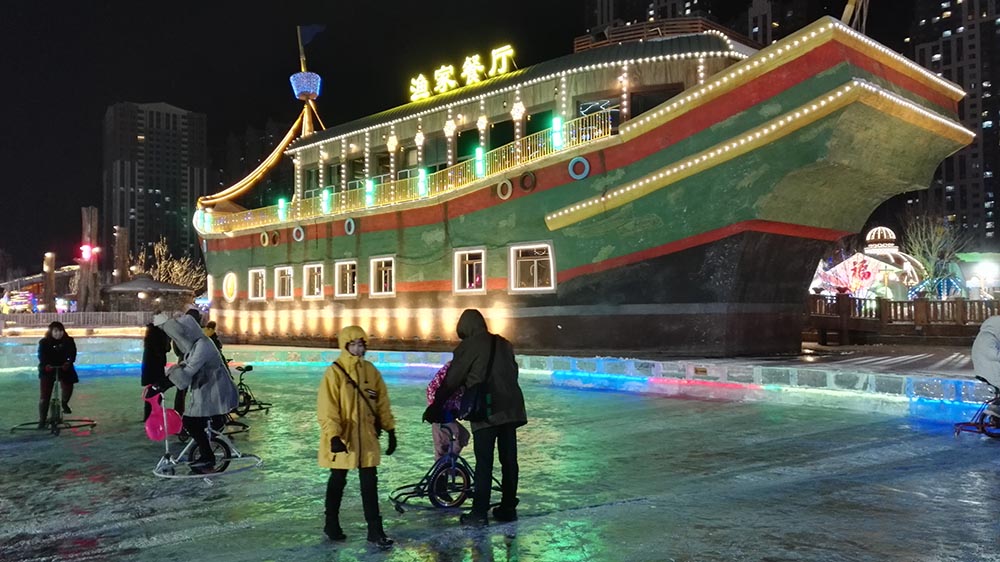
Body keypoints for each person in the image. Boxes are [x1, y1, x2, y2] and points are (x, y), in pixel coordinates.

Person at [423, 309, 526, 526]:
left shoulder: (468, 346)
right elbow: (513, 372)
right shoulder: (504, 343)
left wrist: (436, 407)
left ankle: (479, 513)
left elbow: (452, 380)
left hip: (486, 411)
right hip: (511, 408)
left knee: (484, 462)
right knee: (509, 460)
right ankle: (508, 507)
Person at [317, 325, 397, 549]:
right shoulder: (334, 372)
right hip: (343, 438)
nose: (358, 348)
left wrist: (390, 429)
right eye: (353, 344)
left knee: (369, 482)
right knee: (338, 480)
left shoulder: (371, 371)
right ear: (345, 345)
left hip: (367, 437)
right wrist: (333, 435)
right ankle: (331, 523)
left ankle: (375, 529)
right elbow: (327, 408)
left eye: (361, 344)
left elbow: (381, 402)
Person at [159, 313, 238, 471]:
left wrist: (162, 384)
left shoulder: (203, 345)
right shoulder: (195, 346)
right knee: (194, 422)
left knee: (191, 422)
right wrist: (162, 383)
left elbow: (188, 370)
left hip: (215, 391)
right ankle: (207, 448)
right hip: (207, 389)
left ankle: (208, 457)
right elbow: (184, 367)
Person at [37, 321, 79, 427]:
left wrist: (68, 362)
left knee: (68, 384)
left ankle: (64, 403)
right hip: (48, 368)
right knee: (45, 395)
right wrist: (46, 365)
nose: (58, 334)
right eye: (55, 331)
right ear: (51, 332)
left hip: (64, 367)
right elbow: (42, 356)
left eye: (60, 331)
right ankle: (42, 419)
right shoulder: (44, 342)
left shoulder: (69, 341)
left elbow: (72, 353)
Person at [426, 361, 471, 459]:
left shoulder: (455, 366)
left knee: (441, 448)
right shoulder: (460, 369)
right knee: (461, 436)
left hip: (439, 411)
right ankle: (448, 465)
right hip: (441, 412)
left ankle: (445, 468)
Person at [170, 307, 202, 415]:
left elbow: (176, 349)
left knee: (181, 391)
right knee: (199, 389)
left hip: (183, 363)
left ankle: (179, 412)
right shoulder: (199, 332)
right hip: (196, 364)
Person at [141, 320, 172, 421]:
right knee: (157, 391)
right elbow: (166, 348)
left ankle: (148, 415)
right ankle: (152, 414)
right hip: (156, 368)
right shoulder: (159, 335)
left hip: (149, 367)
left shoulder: (150, 336)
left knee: (152, 391)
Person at [973, 315, 1000, 416]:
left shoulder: (991, 336)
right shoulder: (987, 337)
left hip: (990, 368)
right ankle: (995, 408)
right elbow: (993, 354)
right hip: (989, 370)